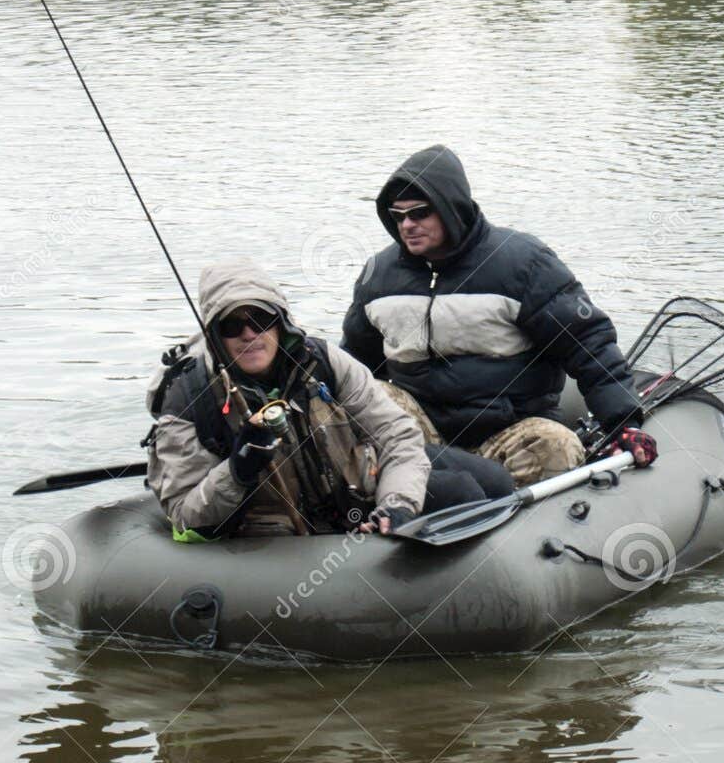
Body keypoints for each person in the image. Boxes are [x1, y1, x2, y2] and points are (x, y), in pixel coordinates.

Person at [341, 145, 657, 488]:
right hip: (419, 435)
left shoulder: (524, 263)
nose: (407, 225)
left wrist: (623, 422)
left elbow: (587, 343)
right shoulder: (379, 276)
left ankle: (502, 521)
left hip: (509, 430)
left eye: (419, 213)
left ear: (452, 209)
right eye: (398, 215)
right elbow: (352, 364)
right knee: (361, 398)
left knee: (557, 446)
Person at [146, 262, 501, 540]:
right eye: (231, 325)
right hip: (277, 535)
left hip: (351, 495)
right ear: (213, 335)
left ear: (280, 322)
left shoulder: (322, 361)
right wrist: (237, 471)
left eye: (260, 319)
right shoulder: (188, 399)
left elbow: (397, 436)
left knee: (492, 482)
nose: (249, 334)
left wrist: (396, 507)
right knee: (463, 490)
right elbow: (183, 512)